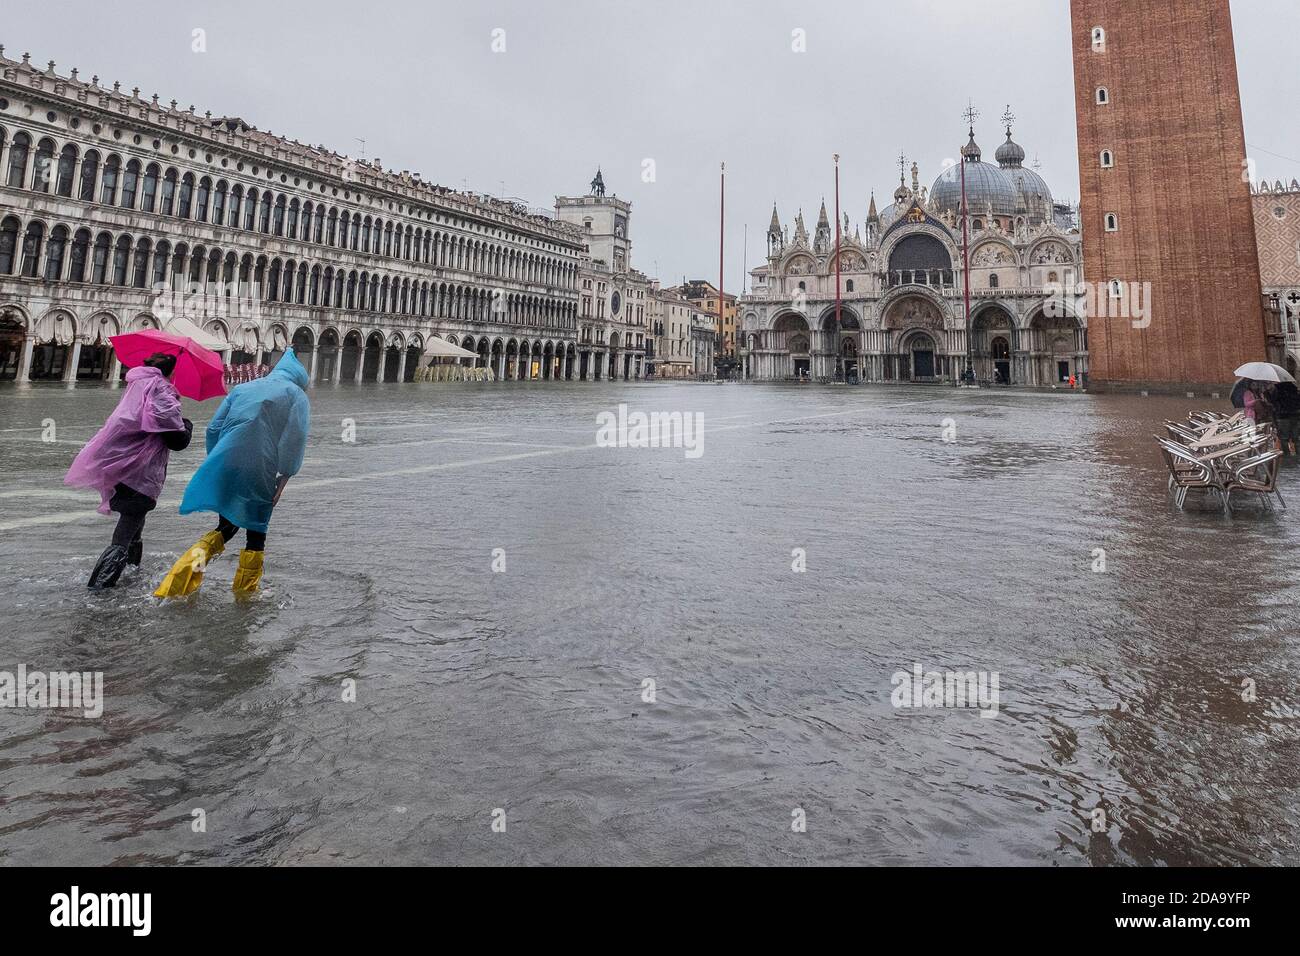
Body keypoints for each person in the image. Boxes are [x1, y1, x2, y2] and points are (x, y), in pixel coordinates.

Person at [154, 349, 310, 598]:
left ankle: (178, 580)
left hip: (228, 460)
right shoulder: (296, 395)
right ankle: (245, 595)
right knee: (256, 531)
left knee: (225, 527)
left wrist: (219, 458)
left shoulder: (243, 388)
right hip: (262, 466)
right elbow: (294, 440)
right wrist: (285, 476)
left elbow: (214, 428)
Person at [64, 352, 193, 589]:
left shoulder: (138, 386)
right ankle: (101, 587)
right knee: (125, 531)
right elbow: (177, 441)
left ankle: (132, 574)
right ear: (171, 371)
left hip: (120, 468)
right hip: (139, 472)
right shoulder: (162, 393)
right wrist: (185, 424)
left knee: (136, 522)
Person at [1273, 380, 1300, 456]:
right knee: (1296, 437)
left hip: (1283, 416)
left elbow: (1274, 402)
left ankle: (1287, 454)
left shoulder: (1277, 390)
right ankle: (1298, 453)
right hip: (1295, 415)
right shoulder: (1294, 389)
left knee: (1284, 438)